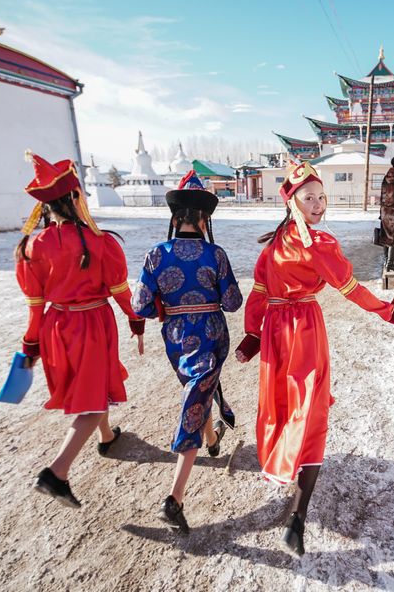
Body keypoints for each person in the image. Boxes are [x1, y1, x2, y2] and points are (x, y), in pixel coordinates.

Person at [234, 161, 394, 557]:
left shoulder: (276, 245)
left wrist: (253, 333)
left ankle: (293, 503)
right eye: (309, 198)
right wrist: (389, 311)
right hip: (301, 331)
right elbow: (350, 289)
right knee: (309, 412)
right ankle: (297, 519)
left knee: (285, 407)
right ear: (292, 202)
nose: (318, 204)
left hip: (277, 333)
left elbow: (260, 294)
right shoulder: (316, 245)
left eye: (320, 197)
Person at [15, 151, 145, 508]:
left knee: (89, 386)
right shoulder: (101, 242)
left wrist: (31, 343)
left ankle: (106, 436)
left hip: (56, 326)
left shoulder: (32, 246)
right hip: (92, 324)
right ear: (75, 198)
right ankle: (56, 472)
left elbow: (35, 304)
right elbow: (120, 290)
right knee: (90, 398)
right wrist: (135, 318)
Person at [131, 170, 242, 534]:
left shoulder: (155, 255)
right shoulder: (216, 254)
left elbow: (141, 306)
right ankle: (174, 499)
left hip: (176, 341)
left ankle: (212, 440)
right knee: (194, 404)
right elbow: (232, 302)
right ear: (204, 219)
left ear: (175, 218)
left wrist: (170, 302)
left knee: (198, 391)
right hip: (211, 336)